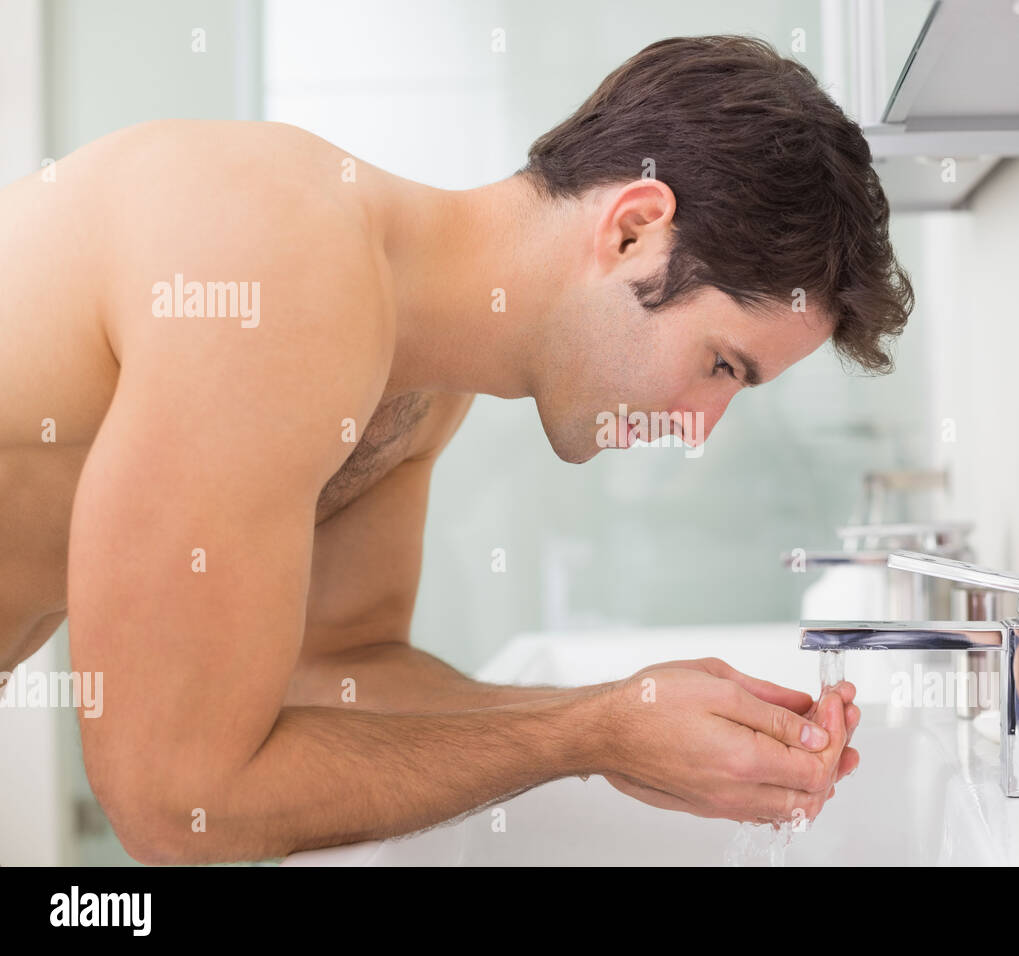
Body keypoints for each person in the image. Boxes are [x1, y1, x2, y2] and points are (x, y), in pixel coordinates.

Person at [0, 35, 912, 863]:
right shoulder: (280, 267)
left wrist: (626, 717)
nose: (700, 427)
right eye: (721, 365)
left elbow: (340, 671)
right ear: (634, 229)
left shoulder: (418, 387)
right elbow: (175, 802)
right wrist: (585, 735)